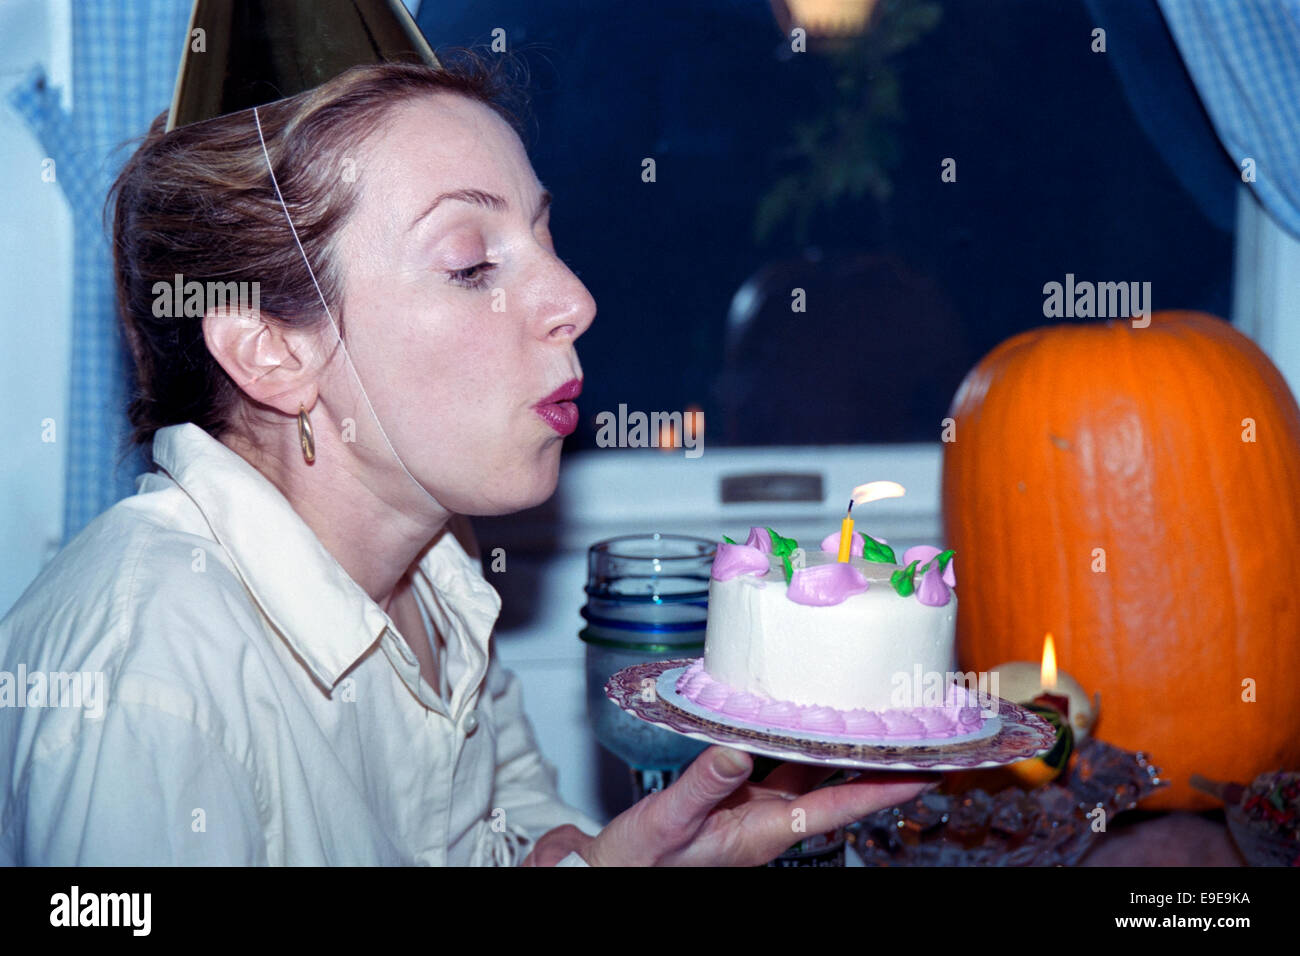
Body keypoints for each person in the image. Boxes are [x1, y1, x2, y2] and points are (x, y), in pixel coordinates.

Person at [0, 57, 934, 866]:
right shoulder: (146, 681)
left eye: (545, 235)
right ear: (271, 352)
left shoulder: (440, 578)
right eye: (470, 264)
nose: (575, 298)